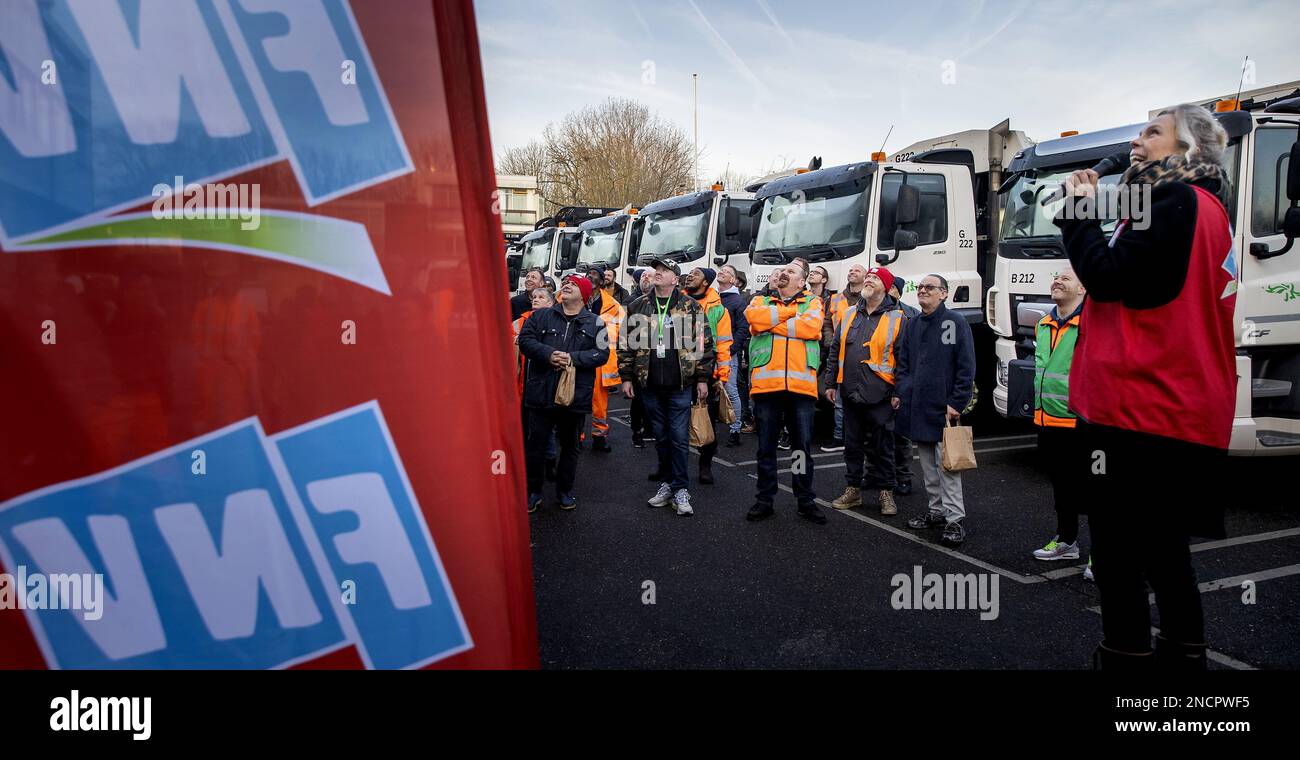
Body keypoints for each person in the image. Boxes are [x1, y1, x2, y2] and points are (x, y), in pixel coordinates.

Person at [1056, 105, 1236, 670]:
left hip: (1139, 409)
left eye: (1153, 132)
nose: (1137, 140)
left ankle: (1127, 663)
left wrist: (1078, 216)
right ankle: (1184, 663)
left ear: (1190, 150)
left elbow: (1112, 282)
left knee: (1117, 556)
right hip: (1177, 405)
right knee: (1165, 553)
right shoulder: (1205, 207)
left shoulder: (1173, 201)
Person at [619, 257, 715, 516]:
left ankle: (681, 488)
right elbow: (626, 343)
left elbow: (703, 345)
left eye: (664, 270)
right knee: (661, 438)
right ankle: (667, 484)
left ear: (676, 279)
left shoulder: (691, 306)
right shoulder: (637, 305)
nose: (657, 273)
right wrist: (626, 376)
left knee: (680, 438)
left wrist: (703, 378)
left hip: (680, 385)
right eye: (656, 269)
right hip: (649, 384)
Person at [744, 260, 828, 524]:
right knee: (765, 447)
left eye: (790, 271)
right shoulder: (760, 301)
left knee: (800, 449)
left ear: (802, 282)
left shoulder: (813, 302)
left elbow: (811, 328)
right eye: (781, 270)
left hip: (800, 388)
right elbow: (754, 320)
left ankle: (805, 499)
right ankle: (764, 499)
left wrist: (771, 323)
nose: (783, 273)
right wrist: (790, 315)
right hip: (767, 387)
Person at [517, 275, 609, 512]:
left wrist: (572, 359)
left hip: (574, 396)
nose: (567, 285)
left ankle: (564, 492)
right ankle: (533, 492)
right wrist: (549, 354)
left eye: (574, 284)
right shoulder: (541, 315)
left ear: (584, 295)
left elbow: (602, 354)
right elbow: (525, 341)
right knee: (535, 446)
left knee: (570, 447)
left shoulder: (596, 323)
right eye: (566, 282)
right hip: (541, 393)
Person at [897, 274, 976, 546]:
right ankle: (936, 511)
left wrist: (957, 402)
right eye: (919, 287)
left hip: (944, 410)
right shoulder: (913, 324)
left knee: (948, 467)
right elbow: (903, 364)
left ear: (944, 293)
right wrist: (904, 391)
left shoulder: (954, 322)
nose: (923, 291)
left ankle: (955, 520)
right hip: (918, 406)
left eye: (929, 287)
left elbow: (966, 367)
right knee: (929, 468)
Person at [825, 266, 906, 516]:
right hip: (850, 392)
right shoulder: (849, 314)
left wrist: (898, 392)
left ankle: (886, 492)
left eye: (874, 278)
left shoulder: (898, 317)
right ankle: (853, 490)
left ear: (885, 286)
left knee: (883, 447)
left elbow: (904, 360)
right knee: (852, 445)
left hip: (881, 393)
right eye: (868, 277)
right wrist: (829, 383)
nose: (869, 281)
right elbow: (836, 350)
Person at [1029, 269, 1090, 575]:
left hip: (1081, 423)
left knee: (1094, 490)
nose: (1057, 281)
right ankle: (1067, 542)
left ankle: (1103, 553)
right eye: (1055, 277)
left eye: (1066, 278)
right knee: (1062, 487)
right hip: (1047, 419)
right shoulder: (1044, 323)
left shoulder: (1092, 324)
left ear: (1083, 288)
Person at [682, 267, 732, 482]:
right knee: (674, 421)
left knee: (707, 420)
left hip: (707, 372)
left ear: (706, 283)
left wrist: (722, 375)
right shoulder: (677, 302)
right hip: (679, 371)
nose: (690, 276)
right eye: (690, 273)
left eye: (696, 274)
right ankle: (668, 466)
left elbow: (724, 344)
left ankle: (705, 466)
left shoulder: (718, 310)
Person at [513, 287, 559, 481]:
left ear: (551, 302)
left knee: (545, 429)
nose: (536, 300)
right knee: (526, 427)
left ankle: (549, 461)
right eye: (534, 297)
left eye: (541, 297)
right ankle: (527, 466)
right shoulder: (520, 321)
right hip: (523, 384)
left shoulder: (557, 323)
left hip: (546, 385)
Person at [822, 264, 869, 452]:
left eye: (857, 270)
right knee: (840, 400)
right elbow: (827, 323)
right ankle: (839, 437)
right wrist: (830, 341)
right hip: (839, 354)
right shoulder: (835, 299)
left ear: (866, 276)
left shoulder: (869, 299)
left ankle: (862, 437)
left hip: (861, 355)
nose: (852, 272)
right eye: (850, 270)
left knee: (862, 400)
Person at [585, 264, 626, 452]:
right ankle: (575, 437)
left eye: (595, 274)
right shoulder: (572, 298)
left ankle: (599, 437)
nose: (591, 276)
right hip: (578, 357)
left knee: (599, 404)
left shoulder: (613, 305)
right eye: (588, 274)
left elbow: (620, 332)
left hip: (600, 360)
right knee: (573, 399)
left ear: (602, 281)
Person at [888, 276, 919, 494]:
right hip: (880, 382)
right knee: (875, 435)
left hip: (903, 381)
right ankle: (874, 474)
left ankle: (904, 477)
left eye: (891, 287)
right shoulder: (873, 312)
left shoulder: (911, 314)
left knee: (901, 435)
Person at [716, 265, 750, 446]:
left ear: (733, 280)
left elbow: (743, 329)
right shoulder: (712, 298)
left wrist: (730, 350)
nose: (721, 272)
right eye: (720, 270)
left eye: (727, 272)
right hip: (710, 353)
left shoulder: (738, 302)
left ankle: (735, 429)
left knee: (731, 390)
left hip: (728, 355)